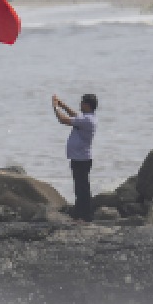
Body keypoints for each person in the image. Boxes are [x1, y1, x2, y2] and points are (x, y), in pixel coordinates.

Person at [53, 93, 99, 221]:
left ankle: (85, 215)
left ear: (87, 105)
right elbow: (75, 115)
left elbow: (63, 120)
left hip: (81, 159)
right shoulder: (87, 118)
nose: (80, 104)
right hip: (80, 158)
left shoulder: (87, 120)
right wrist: (62, 105)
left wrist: (55, 107)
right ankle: (81, 214)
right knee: (80, 187)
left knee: (82, 189)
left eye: (82, 102)